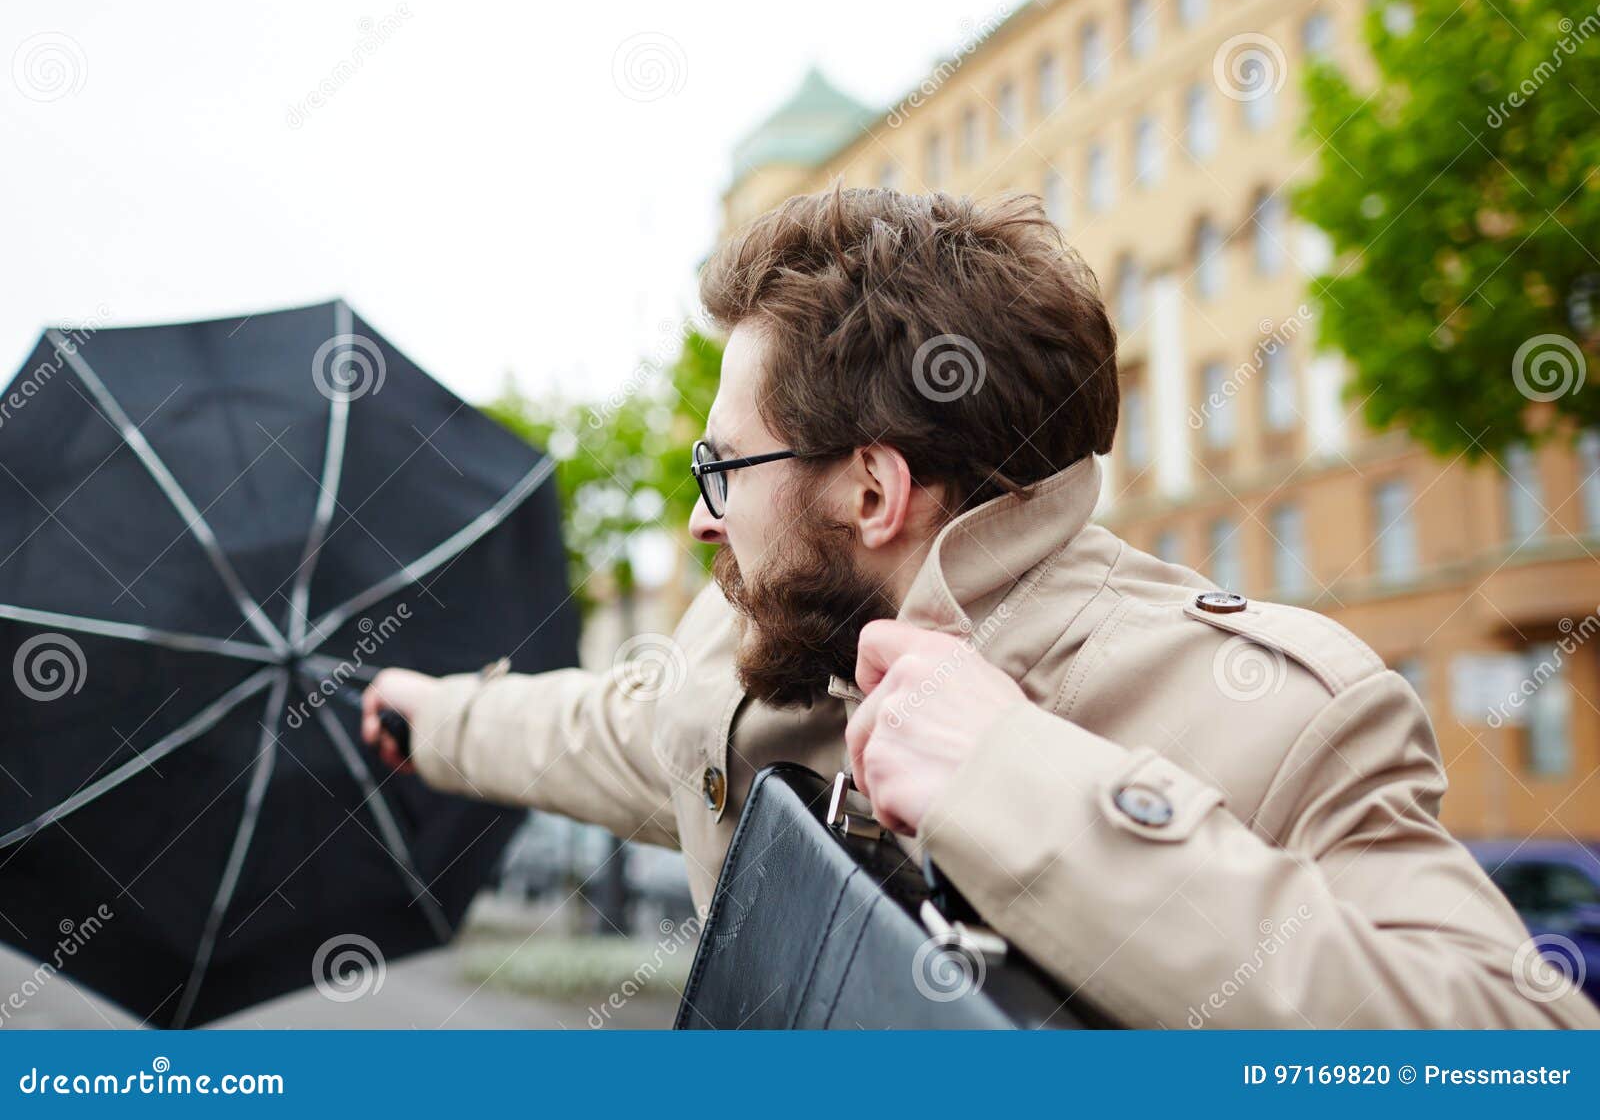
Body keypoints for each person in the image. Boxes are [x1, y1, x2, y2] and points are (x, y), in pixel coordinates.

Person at [363, 186, 1599, 1029]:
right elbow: (599, 727)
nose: (699, 519)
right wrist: (423, 713)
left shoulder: (1282, 707)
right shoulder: (753, 661)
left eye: (718, 470)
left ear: (872, 485)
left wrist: (1015, 783)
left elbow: (1520, 1043)